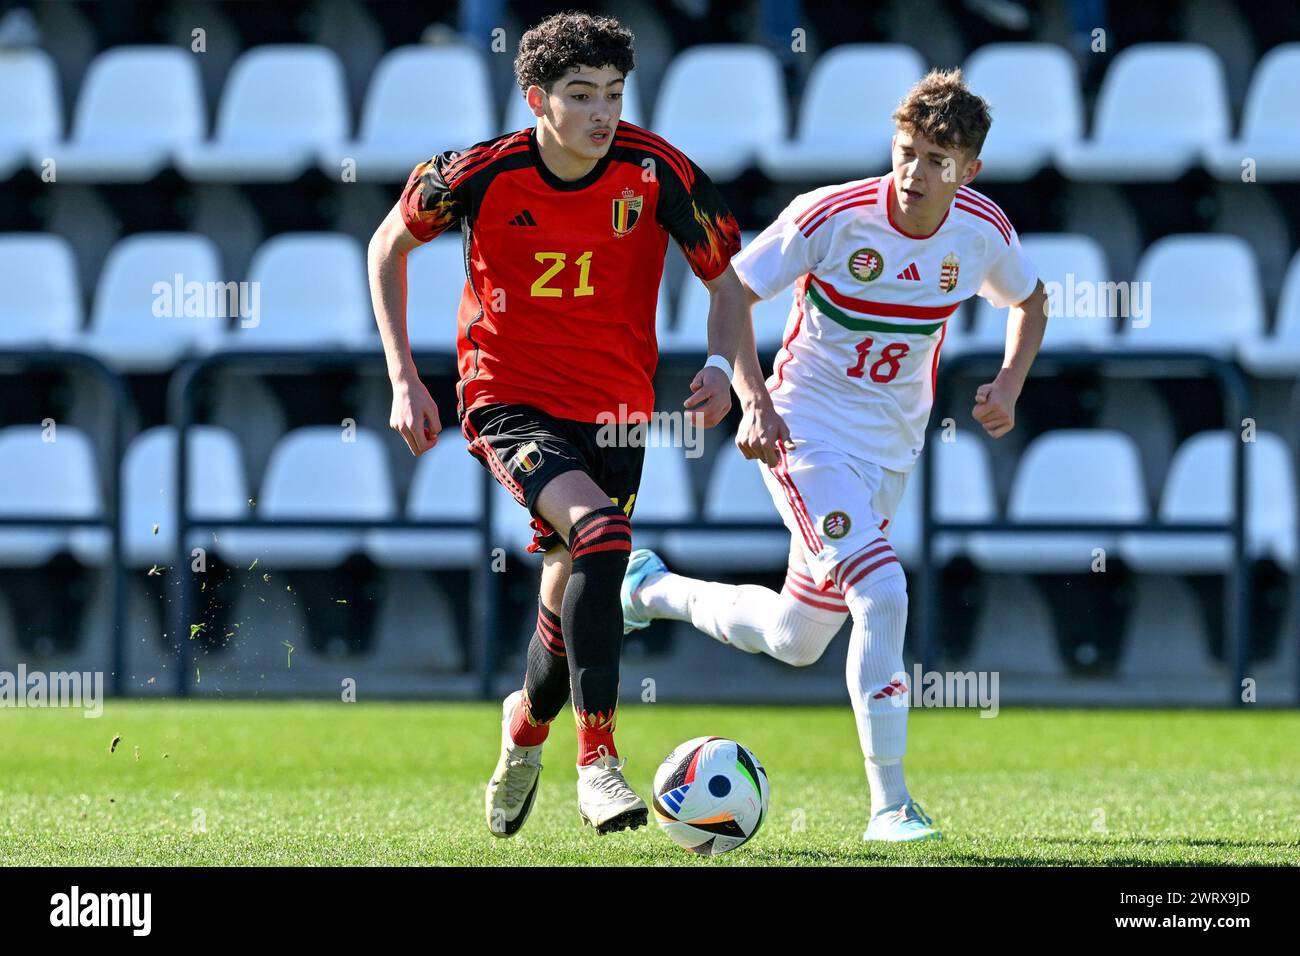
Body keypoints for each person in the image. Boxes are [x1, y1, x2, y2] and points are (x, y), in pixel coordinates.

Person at [366, 12, 789, 838]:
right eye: (582, 94)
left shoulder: (657, 170)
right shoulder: (475, 173)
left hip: (619, 410)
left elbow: (727, 279)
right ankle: (597, 761)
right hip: (506, 398)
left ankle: (525, 727)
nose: (603, 112)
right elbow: (387, 246)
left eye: (615, 93)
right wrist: (404, 378)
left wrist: (722, 368)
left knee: (572, 578)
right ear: (537, 99)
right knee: (600, 538)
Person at [621, 68, 1049, 842]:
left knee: (796, 637)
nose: (915, 173)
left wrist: (1010, 383)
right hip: (805, 433)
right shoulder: (835, 215)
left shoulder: (982, 230)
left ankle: (649, 590)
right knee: (882, 593)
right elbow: (734, 293)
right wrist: (747, 395)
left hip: (890, 454)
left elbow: (1031, 300)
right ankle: (891, 805)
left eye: (938, 159)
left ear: (970, 170)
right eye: (907, 151)